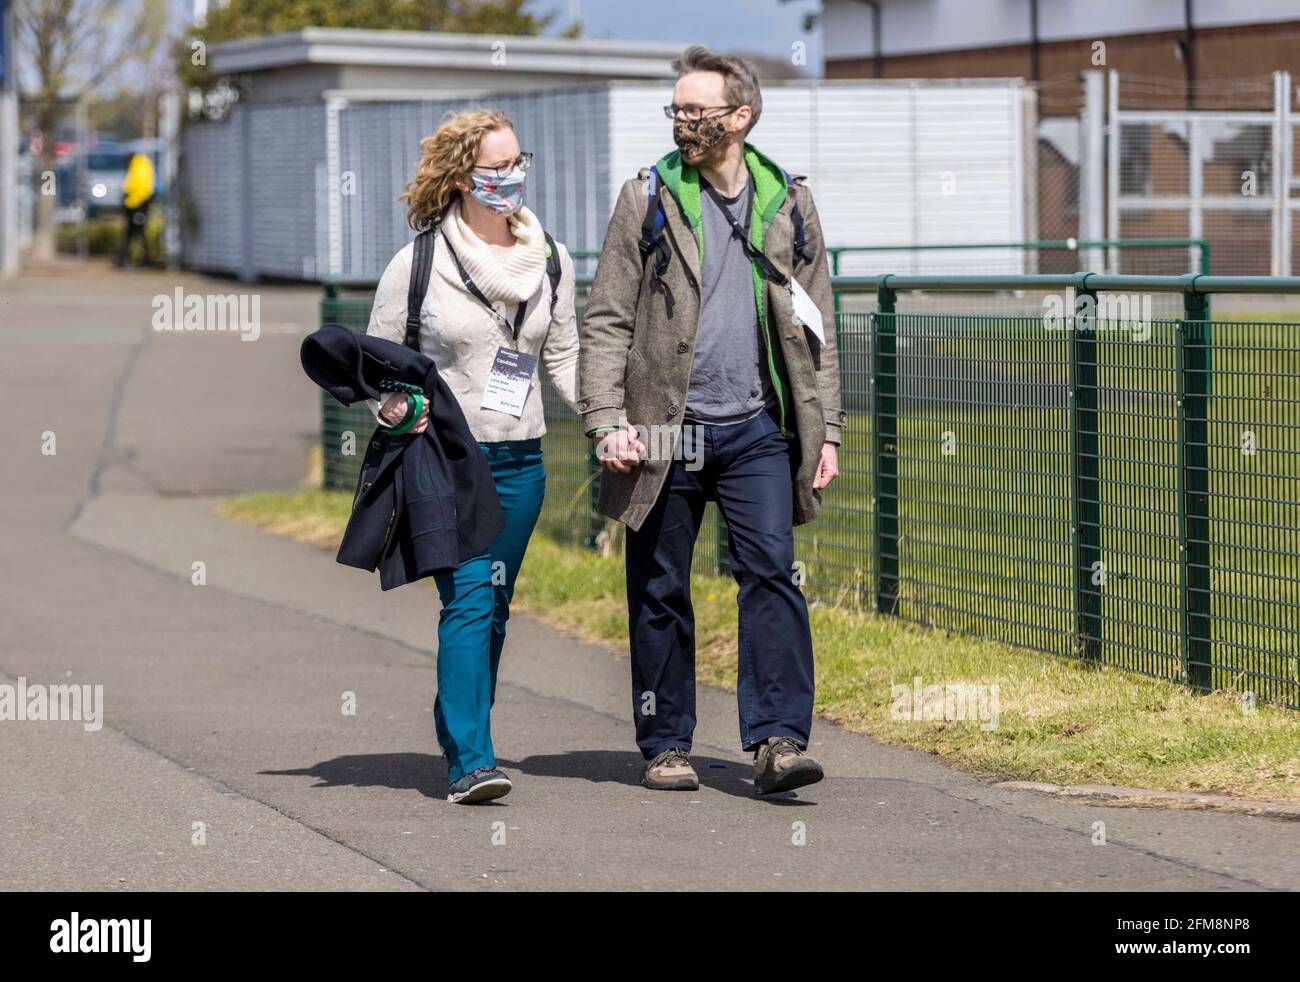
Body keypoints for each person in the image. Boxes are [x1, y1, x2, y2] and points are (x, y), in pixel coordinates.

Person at [579, 46, 844, 796]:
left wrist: (827, 429)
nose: (683, 120)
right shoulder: (648, 198)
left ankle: (779, 742)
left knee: (771, 575)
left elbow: (819, 324)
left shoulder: (789, 201)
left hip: (758, 428)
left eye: (696, 109)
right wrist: (606, 419)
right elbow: (605, 320)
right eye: (677, 109)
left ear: (740, 115)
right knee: (659, 587)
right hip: (666, 426)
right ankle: (666, 745)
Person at [366, 109, 580, 803]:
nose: (512, 177)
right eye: (497, 168)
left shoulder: (548, 256)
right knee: (466, 601)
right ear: (462, 178)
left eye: (521, 162)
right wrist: (397, 406)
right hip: (448, 462)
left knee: (494, 603)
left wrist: (612, 424)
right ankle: (472, 763)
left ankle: (458, 726)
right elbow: (380, 369)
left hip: (523, 465)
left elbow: (568, 355)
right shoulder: (418, 264)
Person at [117, 152, 155, 268]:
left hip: (138, 205)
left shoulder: (139, 166)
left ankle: (144, 259)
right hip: (135, 204)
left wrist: (129, 200)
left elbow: (139, 187)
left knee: (138, 232)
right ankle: (125, 258)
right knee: (132, 232)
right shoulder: (138, 165)